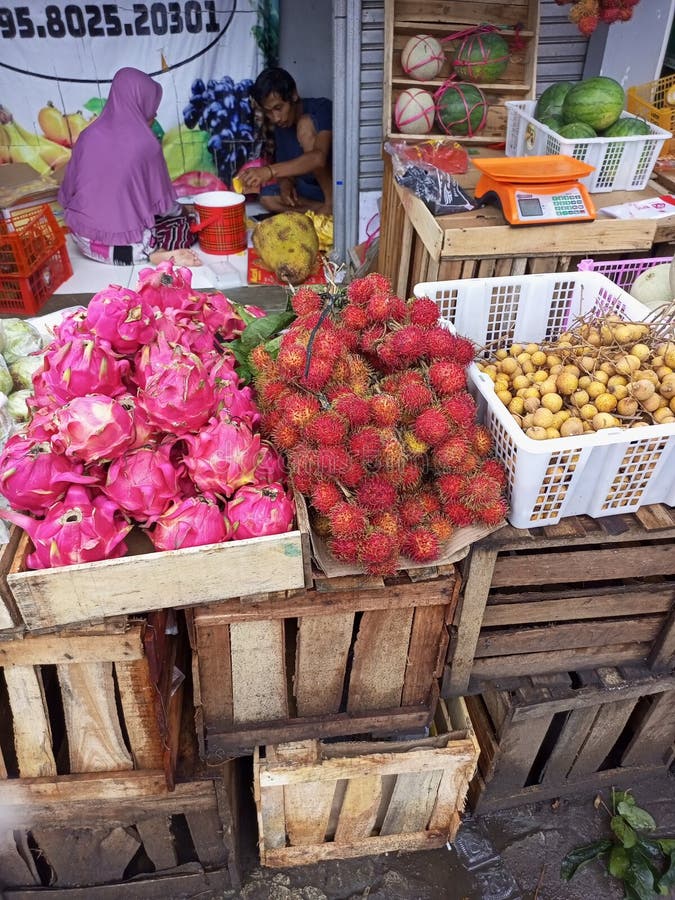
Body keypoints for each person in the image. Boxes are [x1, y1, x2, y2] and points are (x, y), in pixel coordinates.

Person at [58, 67, 201, 267]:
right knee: (183, 224)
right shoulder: (147, 144)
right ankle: (157, 253)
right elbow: (165, 205)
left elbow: (67, 192)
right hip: (131, 248)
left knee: (133, 210)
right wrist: (184, 212)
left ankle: (150, 251)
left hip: (83, 240)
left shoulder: (87, 135)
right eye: (152, 107)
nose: (154, 114)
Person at [237, 67, 332, 215]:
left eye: (278, 108)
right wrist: (285, 185)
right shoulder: (281, 126)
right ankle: (323, 210)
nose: (275, 118)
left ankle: (331, 203)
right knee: (267, 198)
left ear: (294, 95)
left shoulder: (322, 108)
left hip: (336, 187)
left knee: (305, 123)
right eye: (268, 112)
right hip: (309, 191)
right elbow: (286, 169)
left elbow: (318, 158)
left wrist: (269, 171)